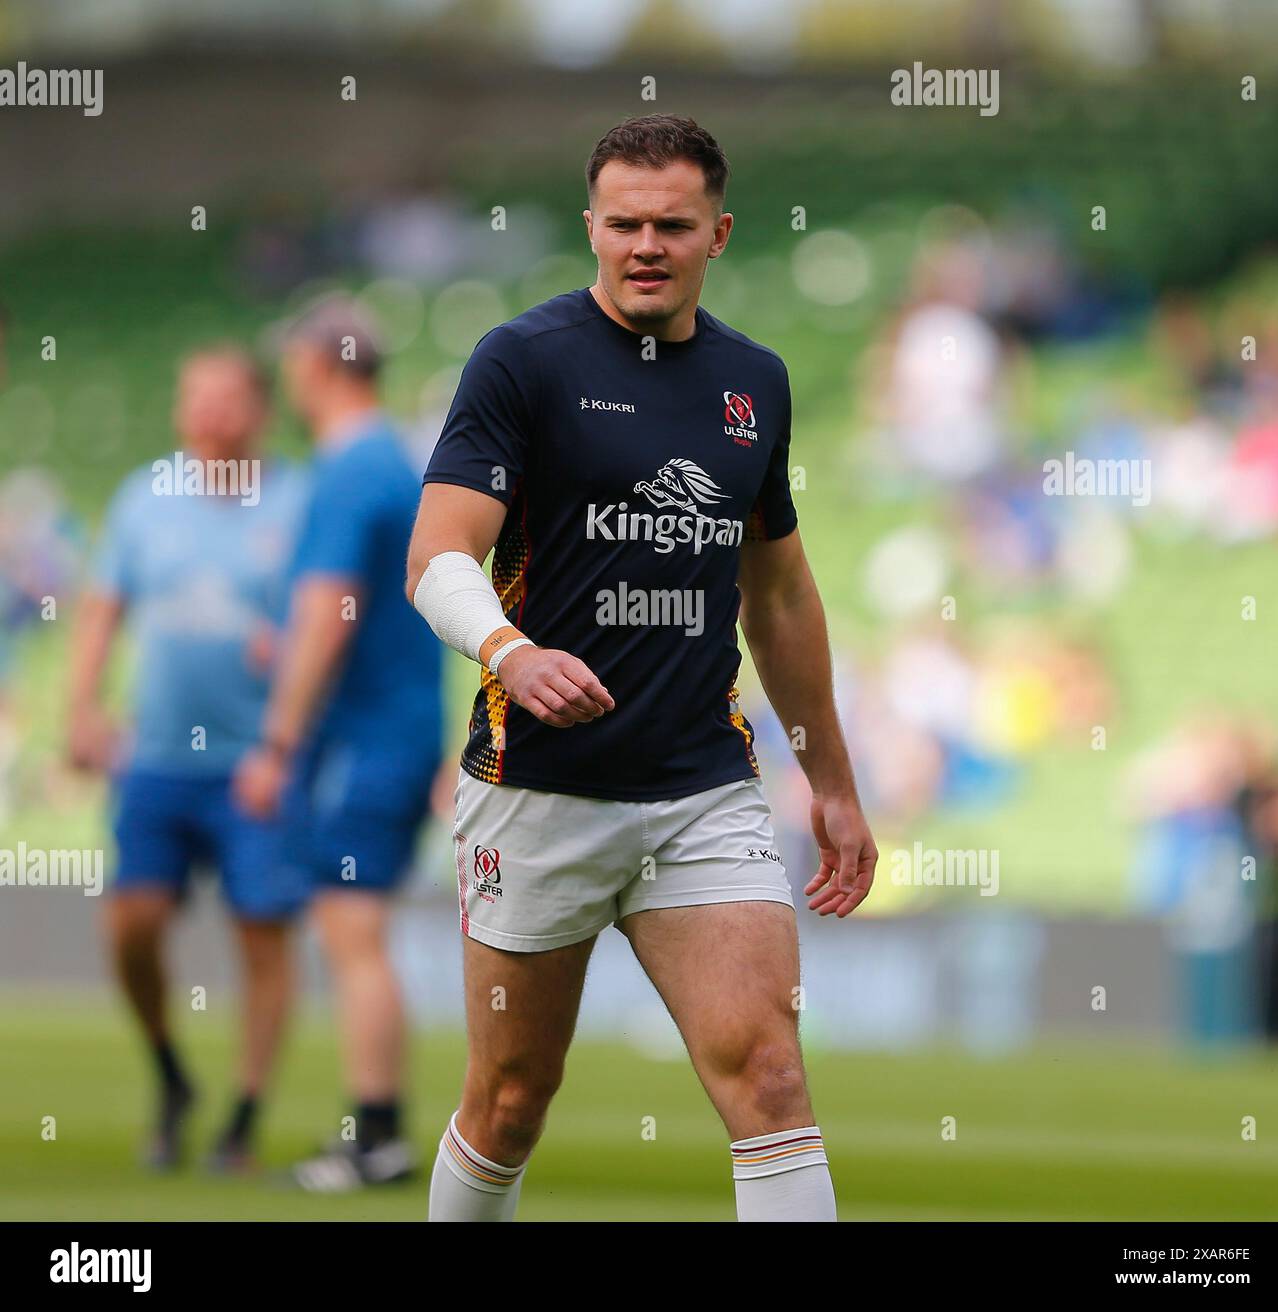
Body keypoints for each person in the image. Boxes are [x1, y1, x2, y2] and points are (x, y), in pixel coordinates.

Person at [408, 114, 877, 1223]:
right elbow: (436, 559)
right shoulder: (522, 360)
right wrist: (509, 653)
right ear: (592, 227)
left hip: (700, 792)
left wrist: (835, 783)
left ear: (719, 232)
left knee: (768, 1079)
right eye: (623, 224)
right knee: (512, 1098)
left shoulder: (753, 383)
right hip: (537, 795)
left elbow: (779, 596)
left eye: (672, 224)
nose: (646, 244)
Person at [68, 346, 306, 1171]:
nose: (206, 413)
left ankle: (242, 1114)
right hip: (157, 760)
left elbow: (329, 619)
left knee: (263, 939)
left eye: (224, 398)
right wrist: (81, 708)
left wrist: (296, 649)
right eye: (192, 397)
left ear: (260, 410)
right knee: (132, 926)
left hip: (259, 764)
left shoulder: (298, 502)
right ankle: (171, 1075)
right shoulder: (144, 497)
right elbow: (103, 607)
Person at [234, 296, 444, 1191]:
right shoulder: (391, 463)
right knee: (356, 933)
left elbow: (328, 612)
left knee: (352, 934)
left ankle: (376, 1138)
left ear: (319, 366)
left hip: (364, 741)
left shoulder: (347, 469)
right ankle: (378, 1133)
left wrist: (276, 742)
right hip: (396, 728)